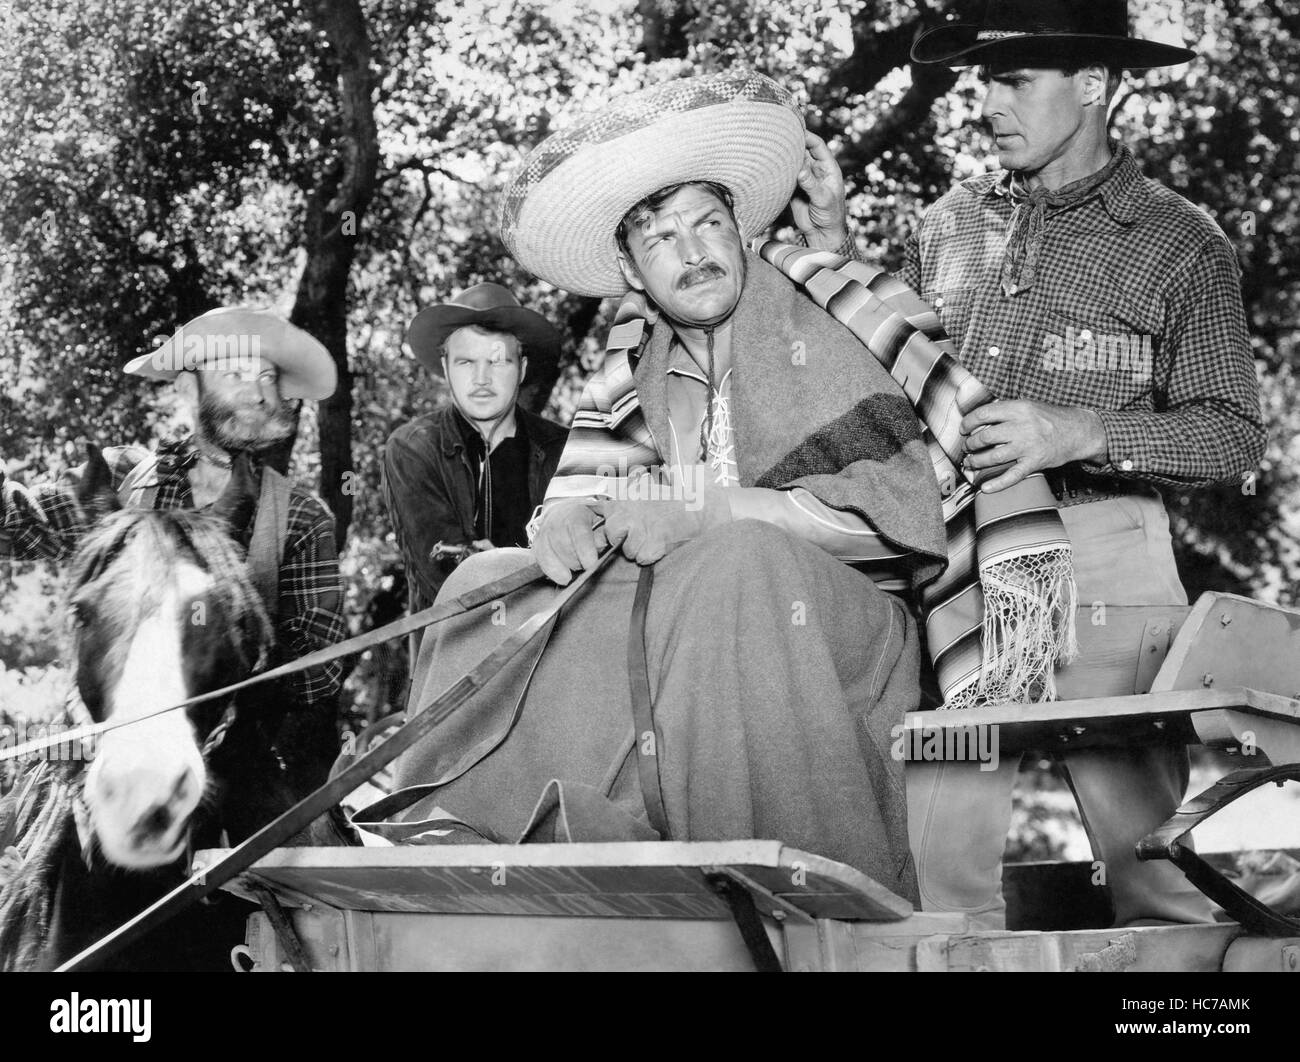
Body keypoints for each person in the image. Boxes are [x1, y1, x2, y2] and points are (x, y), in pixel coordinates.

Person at [366, 70, 952, 899]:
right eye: (662, 238)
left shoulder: (831, 315)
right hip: (687, 608)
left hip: (839, 628)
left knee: (736, 558)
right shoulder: (626, 366)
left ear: (740, 232)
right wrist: (566, 527)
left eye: (709, 223)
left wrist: (712, 512)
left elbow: (903, 519)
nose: (695, 250)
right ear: (633, 272)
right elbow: (600, 503)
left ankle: (783, 891)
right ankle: (462, 840)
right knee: (482, 581)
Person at [795, 0, 1267, 926]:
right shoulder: (947, 226)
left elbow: (1233, 434)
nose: (987, 102)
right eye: (982, 80)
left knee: (1155, 880)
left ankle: (1184, 1023)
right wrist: (833, 255)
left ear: (1094, 85)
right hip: (961, 561)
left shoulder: (1183, 242)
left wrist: (1081, 431)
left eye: (1013, 80)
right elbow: (900, 384)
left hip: (1111, 563)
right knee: (935, 876)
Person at [0, 307, 348, 794]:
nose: (256, 391)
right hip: (106, 757)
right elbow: (17, 522)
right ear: (188, 388)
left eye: (266, 376)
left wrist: (221, 658)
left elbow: (320, 670)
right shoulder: (122, 481)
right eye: (234, 374)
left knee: (282, 860)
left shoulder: (301, 517)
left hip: (239, 766)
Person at [382, 284, 566, 616]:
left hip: (553, 651)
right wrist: (536, 567)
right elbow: (448, 578)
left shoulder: (565, 449)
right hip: (451, 655)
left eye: (497, 361)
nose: (481, 379)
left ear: (521, 368)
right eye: (466, 362)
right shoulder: (413, 448)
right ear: (446, 367)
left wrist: (492, 564)